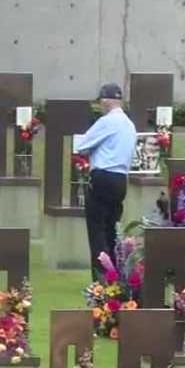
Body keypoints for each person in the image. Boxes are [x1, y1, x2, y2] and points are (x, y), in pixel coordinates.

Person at [73, 82, 136, 280]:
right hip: (121, 180)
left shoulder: (107, 121)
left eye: (100, 101)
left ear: (107, 101)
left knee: (97, 230)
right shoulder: (129, 124)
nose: (99, 105)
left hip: (103, 177)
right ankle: (116, 276)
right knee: (112, 229)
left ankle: (101, 279)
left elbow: (82, 146)